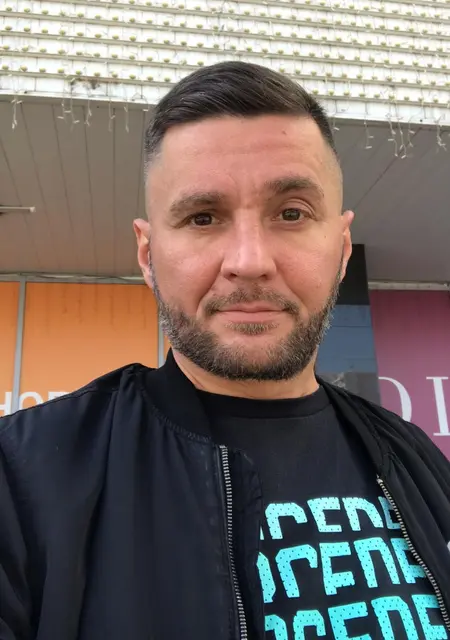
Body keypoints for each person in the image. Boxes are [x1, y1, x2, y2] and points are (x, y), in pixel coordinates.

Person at [1, 62, 449, 640]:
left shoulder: (419, 460)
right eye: (203, 217)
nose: (249, 261)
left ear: (341, 249)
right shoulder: (21, 477)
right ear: (147, 255)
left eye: (291, 213)